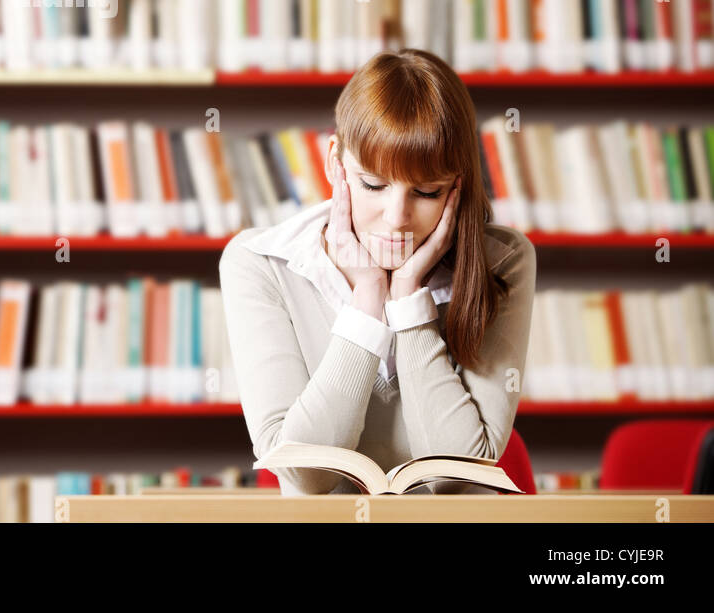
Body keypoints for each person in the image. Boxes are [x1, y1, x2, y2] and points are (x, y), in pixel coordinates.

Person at [218, 48, 536, 495]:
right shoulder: (261, 262)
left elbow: (454, 479)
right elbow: (306, 476)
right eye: (373, 185)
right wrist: (367, 300)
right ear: (335, 163)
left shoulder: (503, 261)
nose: (396, 217)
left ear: (458, 186)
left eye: (427, 191)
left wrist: (408, 300)